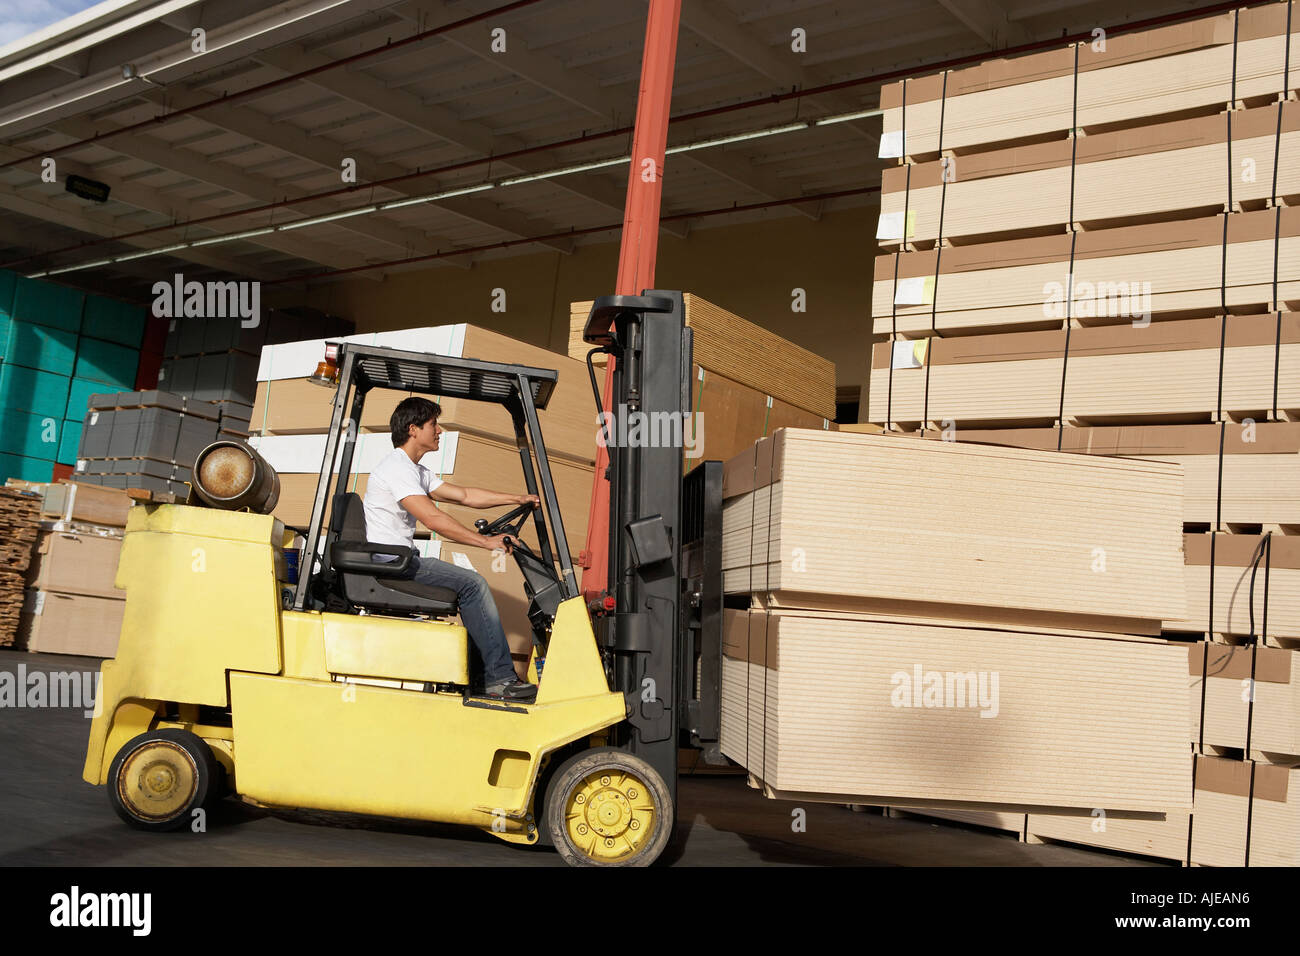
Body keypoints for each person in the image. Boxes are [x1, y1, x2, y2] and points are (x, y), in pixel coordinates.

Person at [364, 396, 540, 702]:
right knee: (473, 585)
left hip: (399, 560)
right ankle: (498, 679)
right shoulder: (397, 468)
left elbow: (466, 495)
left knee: (468, 585)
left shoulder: (414, 470)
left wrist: (517, 499)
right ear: (413, 429)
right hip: (393, 563)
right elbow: (433, 518)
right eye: (434, 424)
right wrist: (486, 542)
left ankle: (483, 677)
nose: (440, 430)